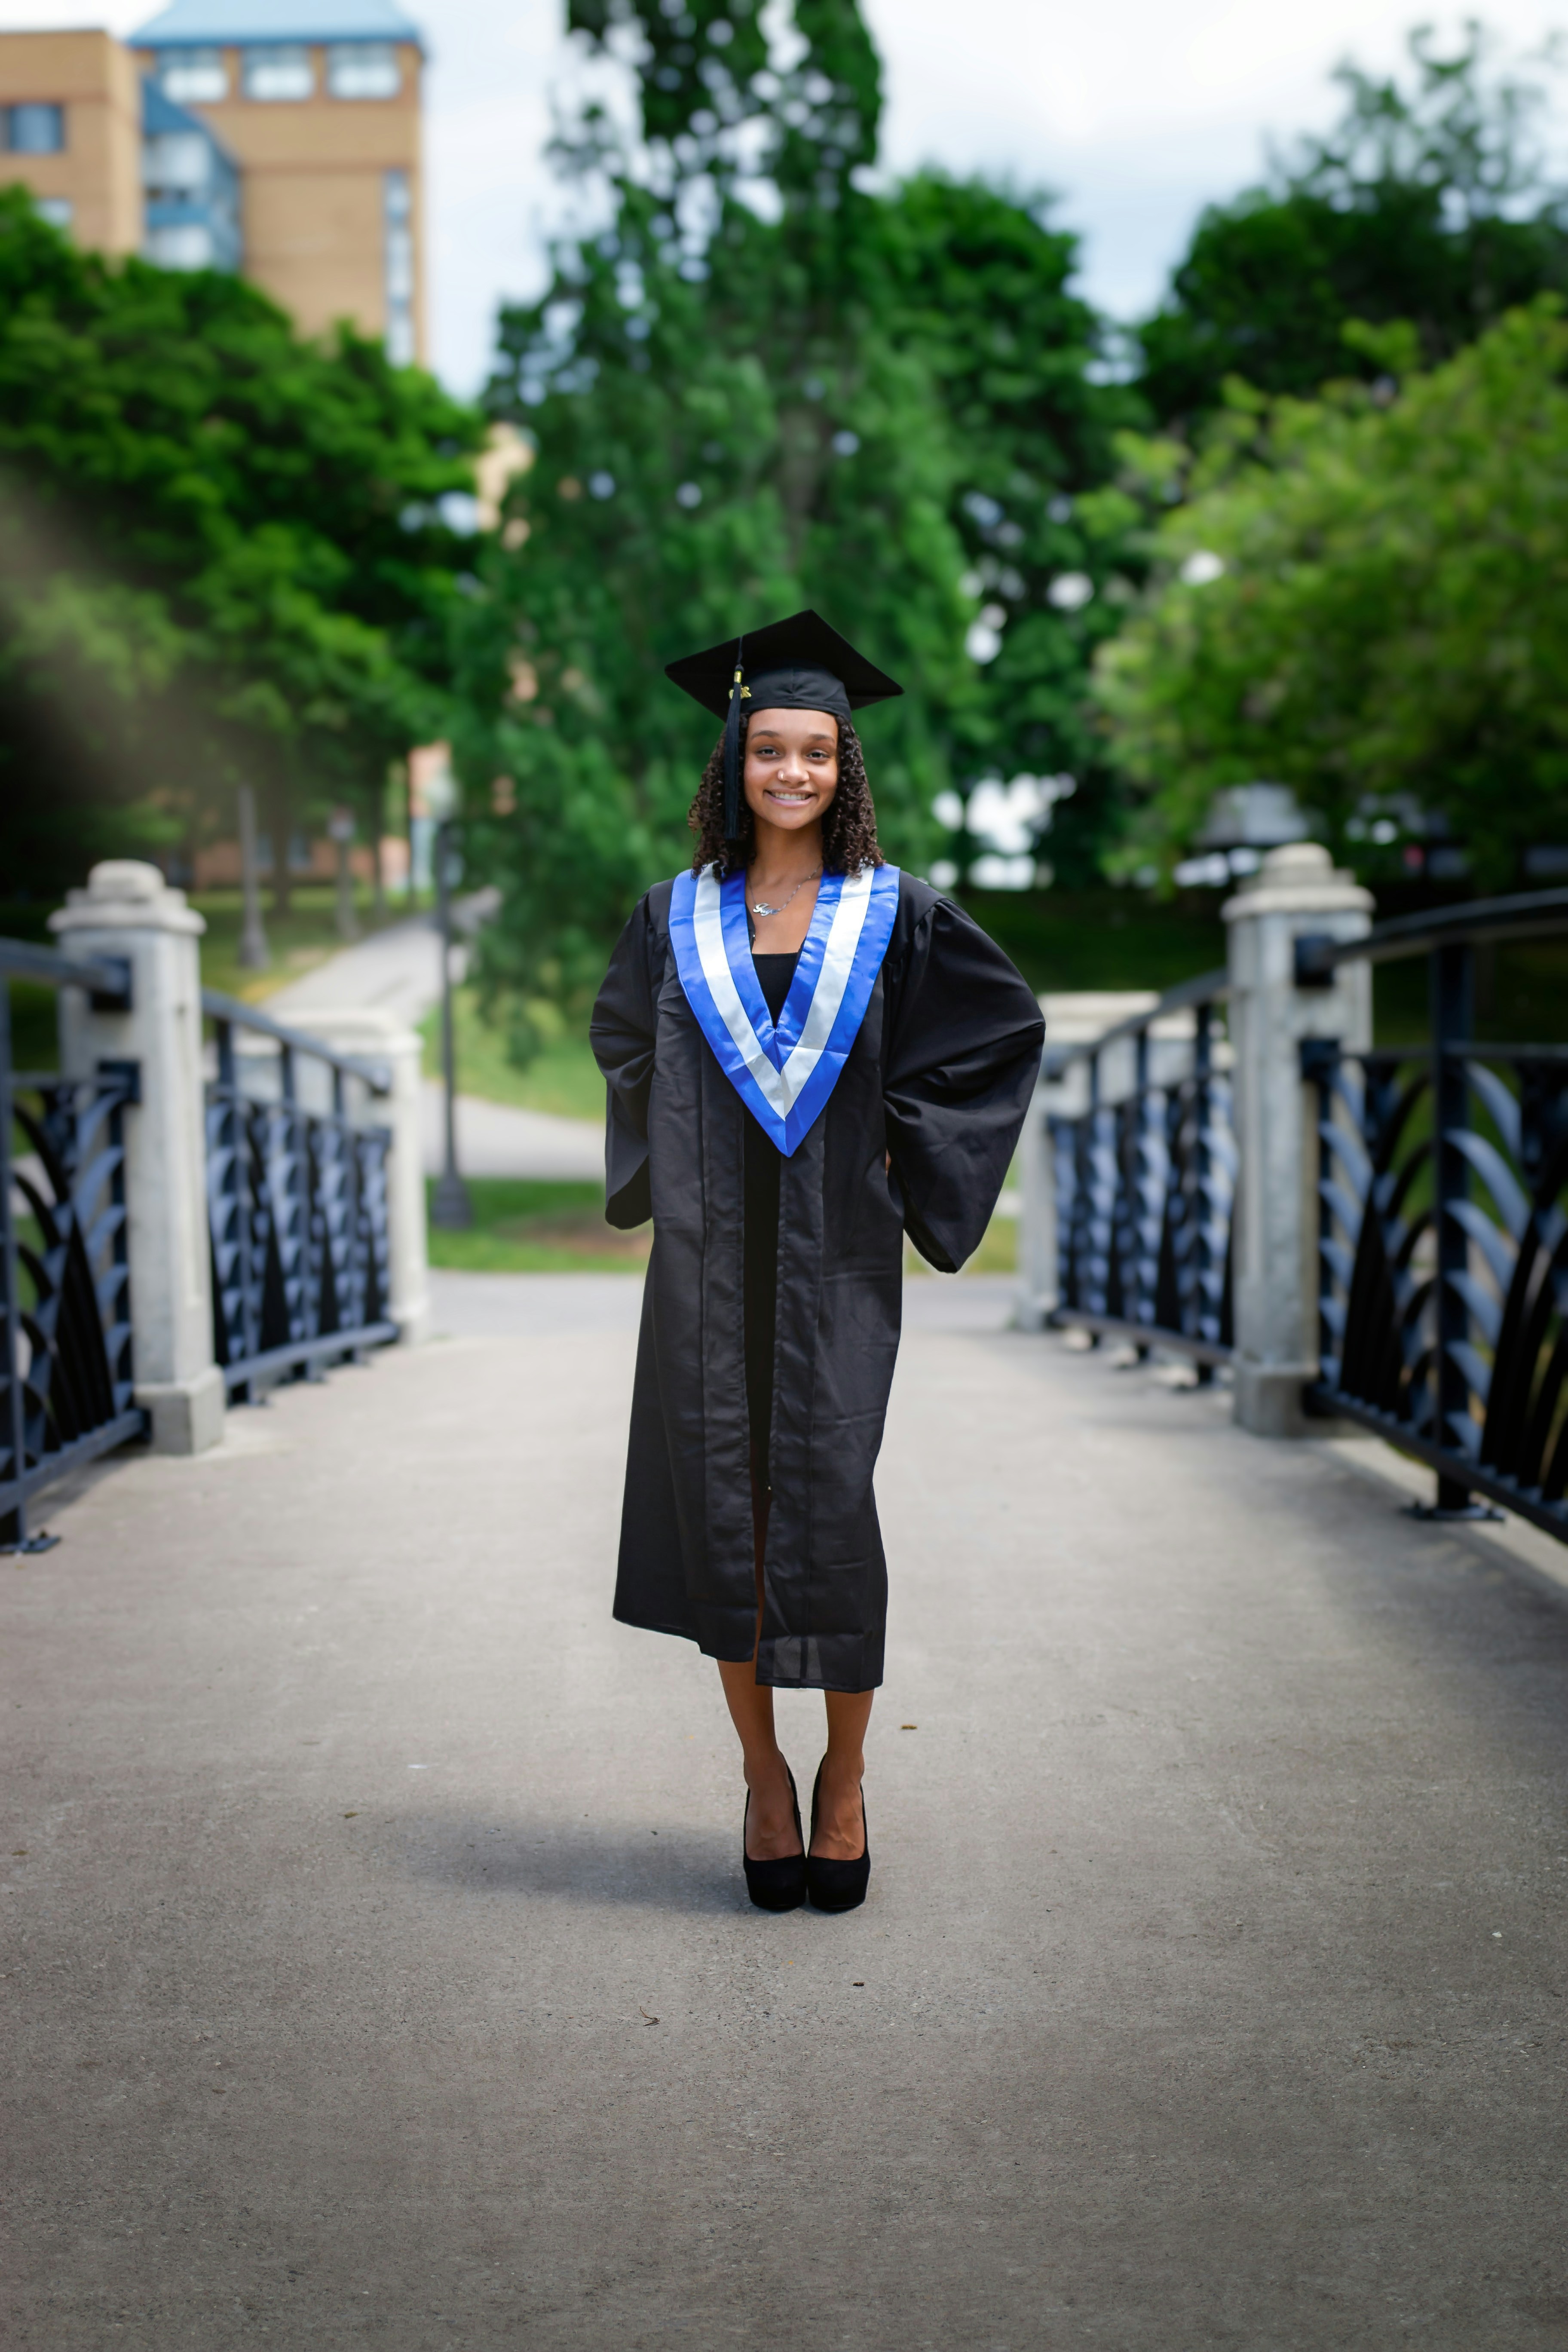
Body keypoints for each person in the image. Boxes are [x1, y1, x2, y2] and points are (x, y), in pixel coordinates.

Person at [590, 610, 1044, 1913]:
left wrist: (905, 1150)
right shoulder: (675, 914)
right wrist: (671, 1143)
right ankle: (761, 1777)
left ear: (846, 771)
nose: (792, 774)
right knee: (715, 1522)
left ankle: (845, 1779)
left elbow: (994, 1036)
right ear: (733, 759)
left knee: (831, 1517)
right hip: (708, 1264)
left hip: (835, 1254)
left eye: (817, 755)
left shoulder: (894, 915)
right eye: (769, 750)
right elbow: (625, 1040)